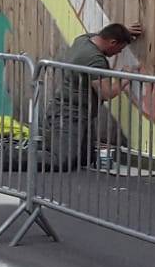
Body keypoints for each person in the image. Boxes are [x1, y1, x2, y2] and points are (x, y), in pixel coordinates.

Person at [29, 23, 141, 171]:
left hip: (74, 112)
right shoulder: (95, 60)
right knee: (61, 160)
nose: (118, 53)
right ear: (112, 42)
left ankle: (45, 145)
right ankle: (4, 155)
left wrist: (123, 31)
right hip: (69, 114)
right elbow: (106, 93)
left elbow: (102, 33)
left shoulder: (83, 40)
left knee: (83, 158)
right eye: (119, 49)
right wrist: (126, 78)